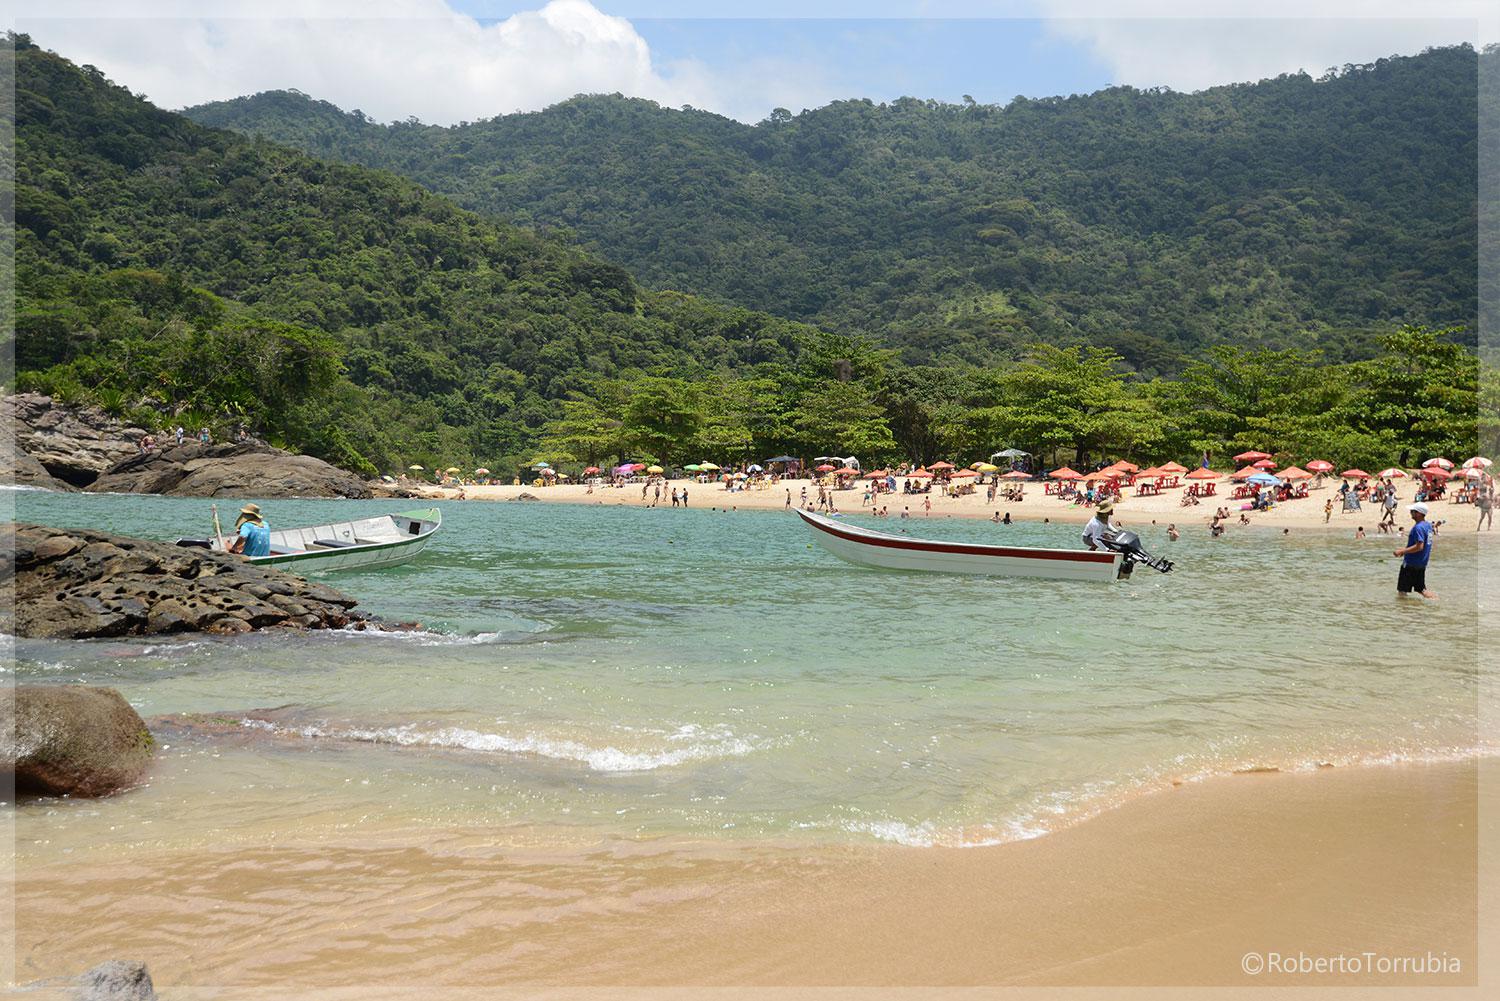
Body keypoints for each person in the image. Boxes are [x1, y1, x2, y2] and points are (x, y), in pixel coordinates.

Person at [1394, 502, 1437, 599]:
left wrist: (1402, 551)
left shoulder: (1418, 528)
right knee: (1421, 589)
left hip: (1411, 563)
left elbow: (1419, 546)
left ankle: (1404, 612)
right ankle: (1436, 601)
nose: (1410, 512)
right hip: (1421, 563)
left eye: (1412, 511)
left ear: (1419, 513)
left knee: (1402, 591)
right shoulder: (1428, 526)